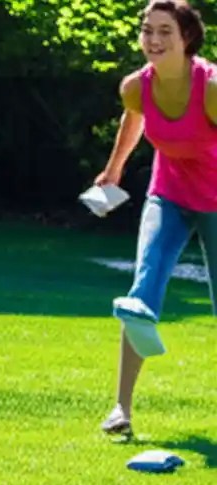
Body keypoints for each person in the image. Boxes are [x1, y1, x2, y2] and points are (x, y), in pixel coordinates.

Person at [94, 0, 217, 438]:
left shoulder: (211, 87)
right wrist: (115, 171)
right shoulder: (135, 86)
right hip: (167, 195)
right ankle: (120, 409)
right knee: (139, 299)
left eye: (165, 31)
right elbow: (134, 119)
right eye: (148, 30)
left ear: (187, 38)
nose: (154, 40)